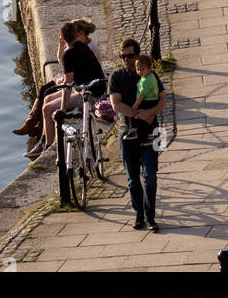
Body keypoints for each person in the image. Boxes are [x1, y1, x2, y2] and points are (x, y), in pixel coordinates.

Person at [108, 37, 166, 233]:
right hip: (127, 132)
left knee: (150, 176)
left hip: (152, 132)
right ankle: (139, 214)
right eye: (122, 56)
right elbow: (116, 104)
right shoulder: (117, 77)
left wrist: (150, 113)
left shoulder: (151, 75)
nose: (125, 60)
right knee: (133, 179)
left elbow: (163, 101)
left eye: (129, 56)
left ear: (137, 55)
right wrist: (139, 114)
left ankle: (150, 217)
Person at [29, 20, 105, 159]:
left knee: (48, 108)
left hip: (90, 94)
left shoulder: (69, 55)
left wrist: (62, 110)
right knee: (47, 98)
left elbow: (68, 85)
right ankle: (44, 140)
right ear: (76, 35)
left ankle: (48, 147)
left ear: (64, 38)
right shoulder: (83, 46)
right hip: (91, 88)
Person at [122, 55, 161, 140]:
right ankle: (152, 135)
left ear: (149, 68)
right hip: (151, 99)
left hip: (147, 100)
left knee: (131, 112)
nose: (140, 72)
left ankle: (133, 130)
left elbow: (142, 95)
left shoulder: (147, 81)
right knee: (149, 118)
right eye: (138, 69)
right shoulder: (149, 76)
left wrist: (135, 106)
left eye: (143, 69)